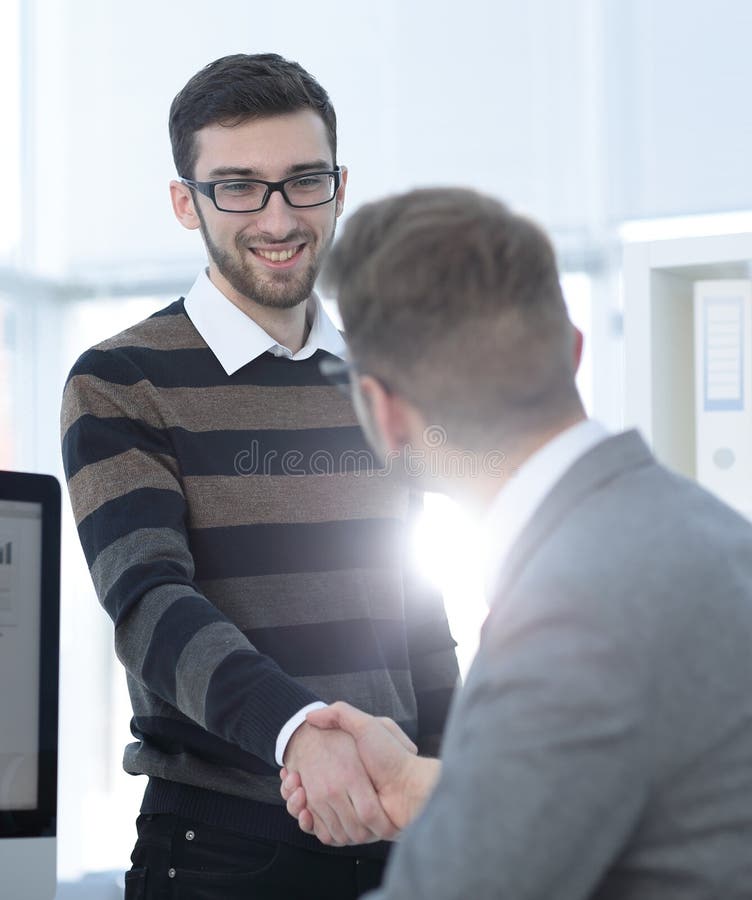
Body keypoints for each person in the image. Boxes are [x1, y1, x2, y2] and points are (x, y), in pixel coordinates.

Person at [60, 55, 459, 900]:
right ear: (186, 202)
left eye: (302, 181)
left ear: (340, 187)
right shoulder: (119, 379)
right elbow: (148, 604)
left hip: (402, 841)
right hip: (225, 852)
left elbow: (416, 614)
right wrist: (299, 733)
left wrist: (454, 784)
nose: (278, 217)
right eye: (238, 186)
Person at [280, 187, 752, 898]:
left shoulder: (571, 610)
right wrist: (412, 783)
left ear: (383, 412)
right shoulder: (708, 534)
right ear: (574, 350)